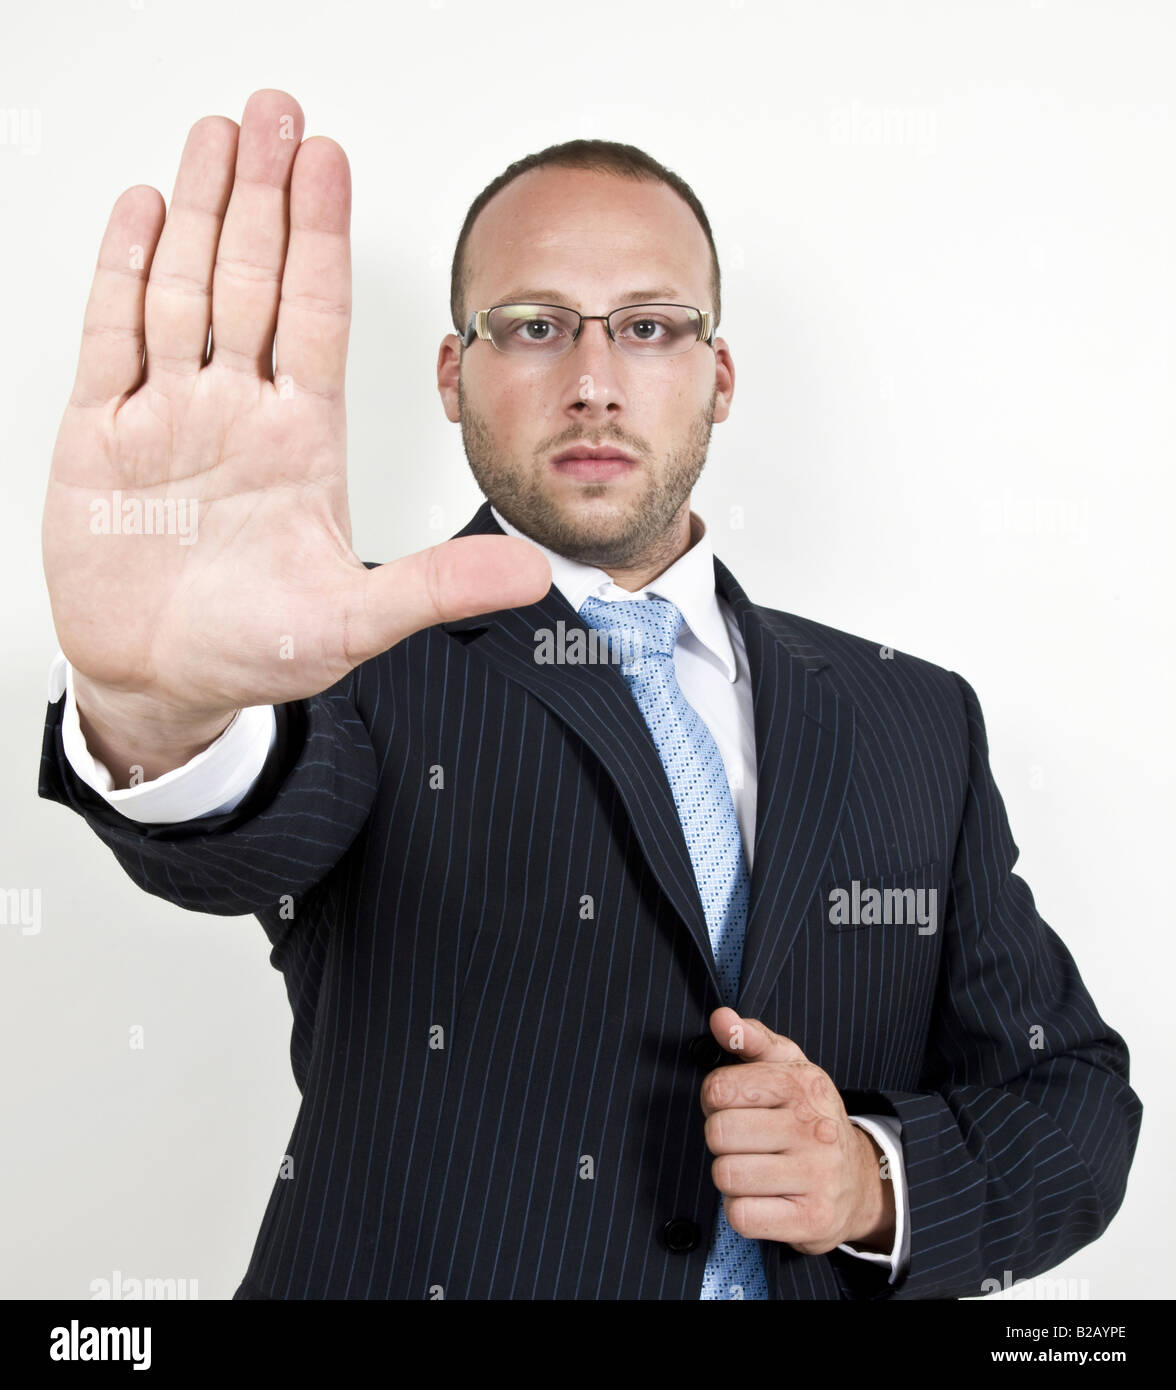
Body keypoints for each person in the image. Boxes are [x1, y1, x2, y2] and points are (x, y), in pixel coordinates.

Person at [38, 88, 1141, 1300]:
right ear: (453, 374)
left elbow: (1071, 1096)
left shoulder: (916, 719)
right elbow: (243, 824)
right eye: (533, 326)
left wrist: (875, 1181)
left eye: (652, 327)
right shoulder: (338, 654)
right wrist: (156, 715)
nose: (595, 381)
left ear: (720, 375)